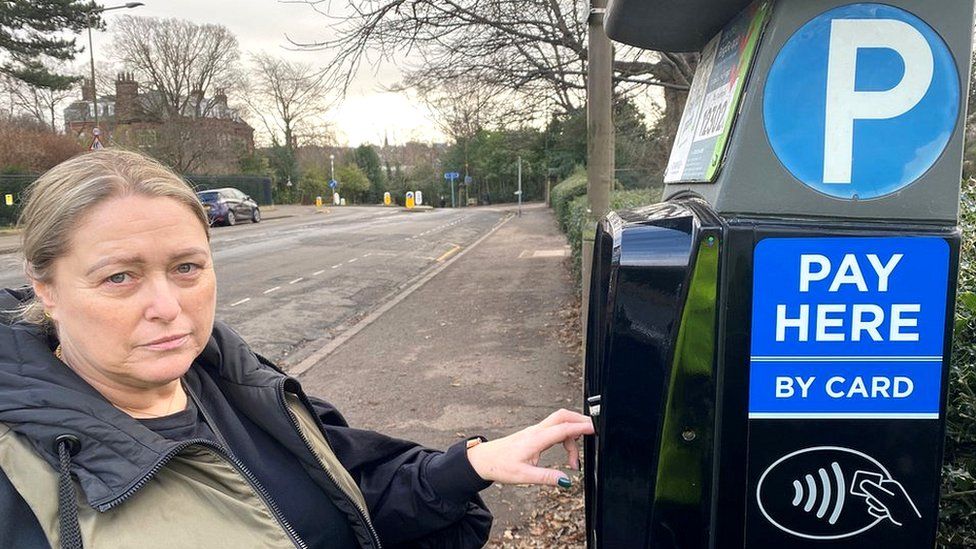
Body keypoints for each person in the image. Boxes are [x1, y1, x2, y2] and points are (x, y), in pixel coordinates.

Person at [0, 150, 594, 549]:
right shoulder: (16, 476)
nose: (166, 306)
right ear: (47, 288)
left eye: (186, 267)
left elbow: (353, 498)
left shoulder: (243, 386)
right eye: (119, 278)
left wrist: (470, 465)